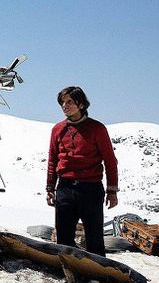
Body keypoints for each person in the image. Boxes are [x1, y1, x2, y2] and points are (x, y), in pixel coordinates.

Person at [46, 85, 118, 256]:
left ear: (81, 104)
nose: (65, 106)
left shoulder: (96, 128)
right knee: (63, 238)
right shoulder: (57, 129)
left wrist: (112, 191)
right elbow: (53, 160)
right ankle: (69, 276)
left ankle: (98, 277)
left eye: (69, 102)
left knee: (94, 238)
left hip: (90, 189)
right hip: (65, 188)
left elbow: (110, 161)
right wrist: (50, 188)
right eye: (62, 102)